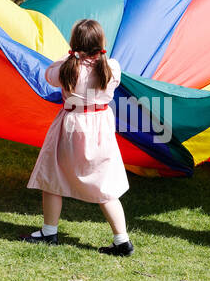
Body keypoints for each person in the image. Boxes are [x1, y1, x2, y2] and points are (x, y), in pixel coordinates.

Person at [25, 19, 132, 255]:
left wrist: (68, 57)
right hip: (100, 126)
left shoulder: (67, 69)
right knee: (105, 185)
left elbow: (48, 74)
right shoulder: (112, 67)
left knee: (54, 176)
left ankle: (49, 230)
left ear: (74, 44)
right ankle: (121, 239)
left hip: (73, 124)